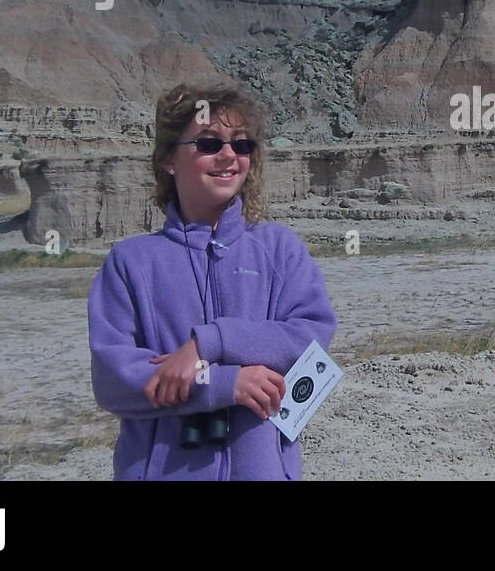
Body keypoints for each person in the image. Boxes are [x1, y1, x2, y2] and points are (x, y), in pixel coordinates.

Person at [88, 83, 337, 480]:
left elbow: (310, 339)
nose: (228, 157)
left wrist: (211, 342)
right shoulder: (130, 262)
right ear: (169, 157)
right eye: (208, 143)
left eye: (241, 145)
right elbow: (114, 379)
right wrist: (222, 383)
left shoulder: (279, 249)